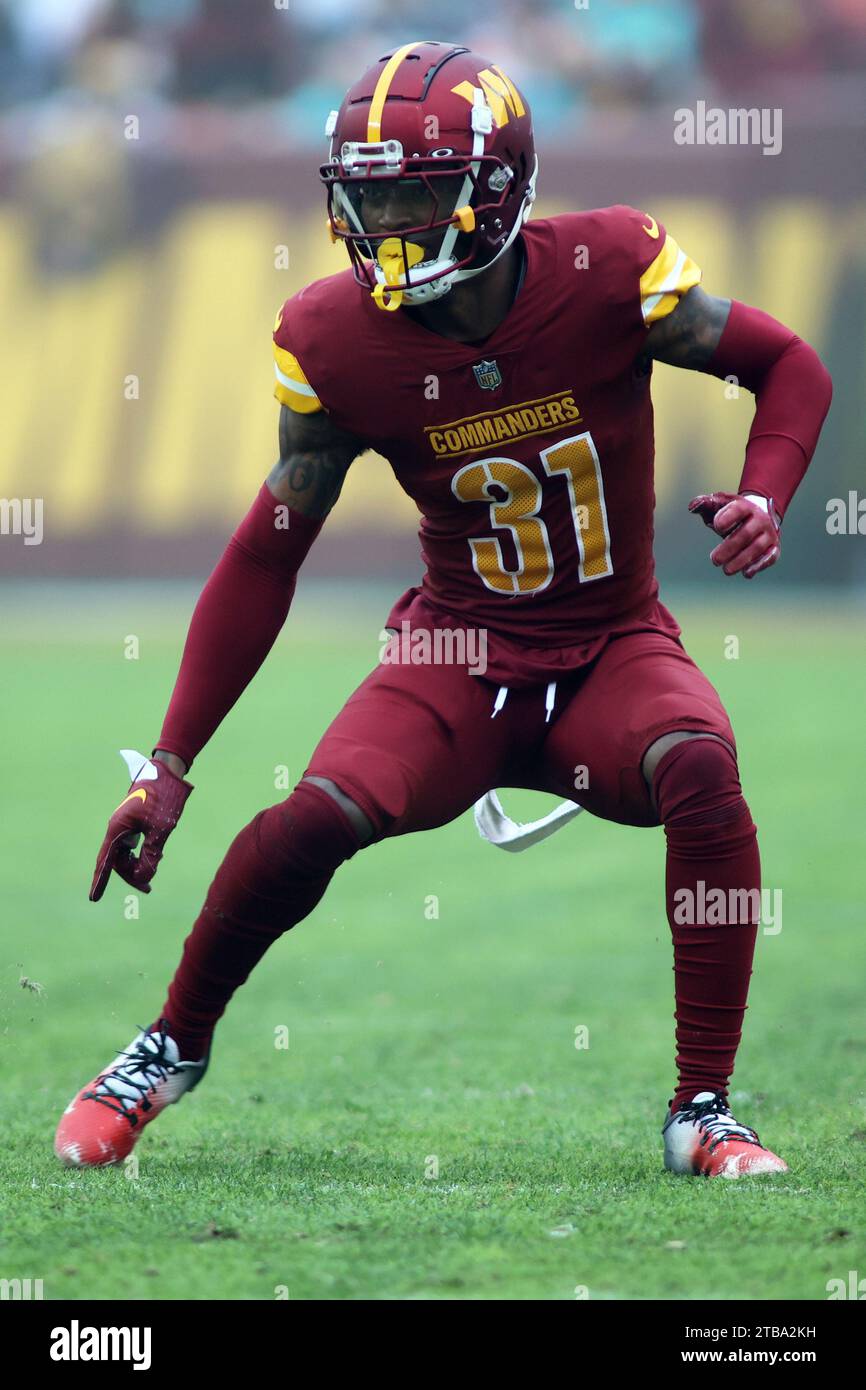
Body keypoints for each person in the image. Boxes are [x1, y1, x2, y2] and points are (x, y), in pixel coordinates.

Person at [56, 41, 832, 1178]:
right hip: (457, 652)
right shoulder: (332, 337)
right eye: (365, 199)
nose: (385, 226)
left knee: (701, 767)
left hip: (610, 645)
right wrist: (168, 762)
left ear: (499, 187)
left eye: (413, 194)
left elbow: (788, 364)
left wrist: (766, 492)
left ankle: (701, 1109)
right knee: (311, 818)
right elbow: (265, 558)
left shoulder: (610, 269)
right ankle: (165, 1049)